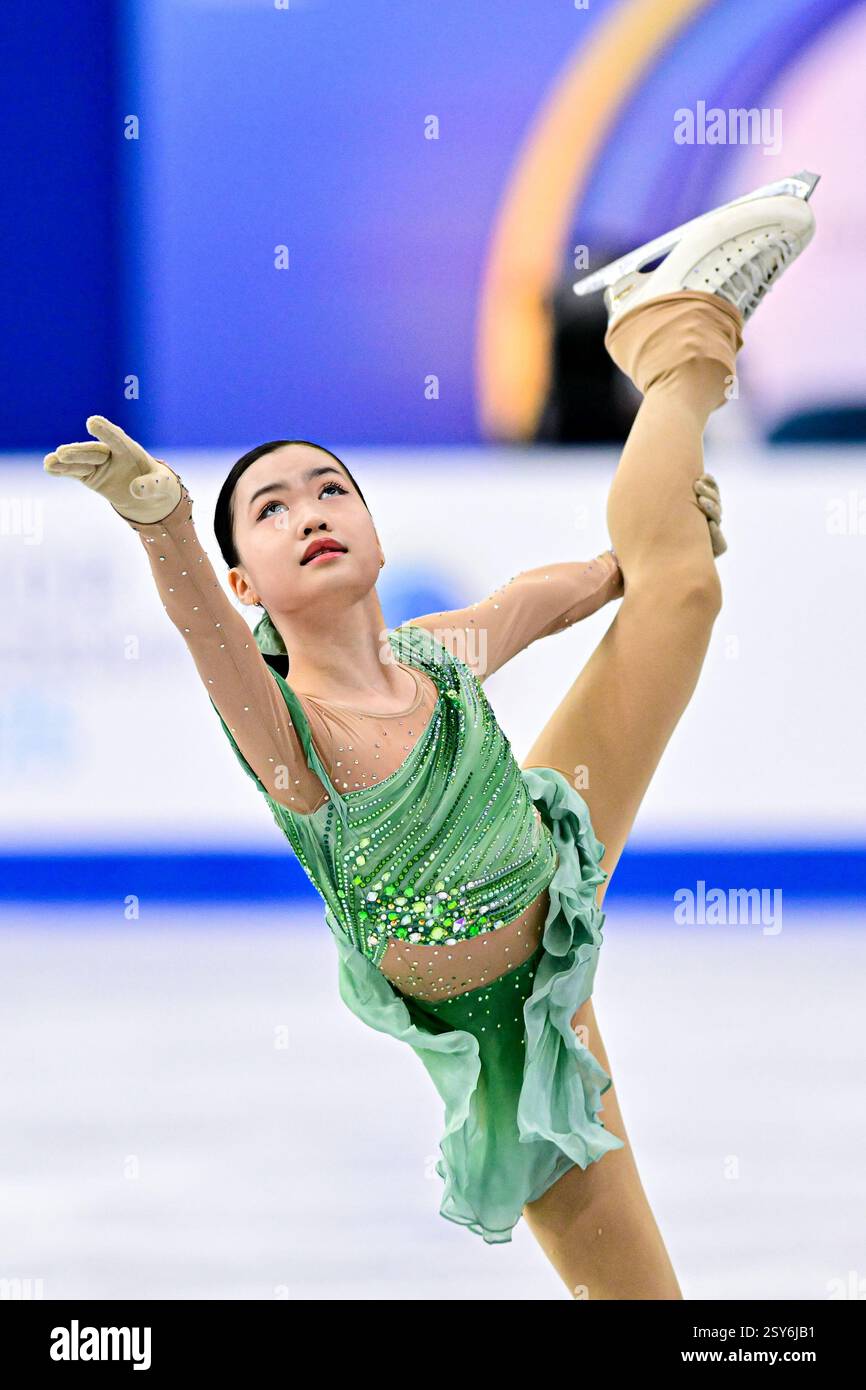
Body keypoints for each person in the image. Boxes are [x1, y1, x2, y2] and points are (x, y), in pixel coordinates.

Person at [44, 172, 817, 1298]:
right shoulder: (290, 742)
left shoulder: (428, 656)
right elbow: (203, 635)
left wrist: (637, 559)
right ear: (245, 580)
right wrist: (162, 516)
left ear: (371, 528)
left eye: (328, 490)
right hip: (519, 1041)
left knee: (680, 591)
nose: (308, 511)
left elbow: (532, 599)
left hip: (550, 843)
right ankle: (668, 337)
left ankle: (675, 338)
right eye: (270, 510)